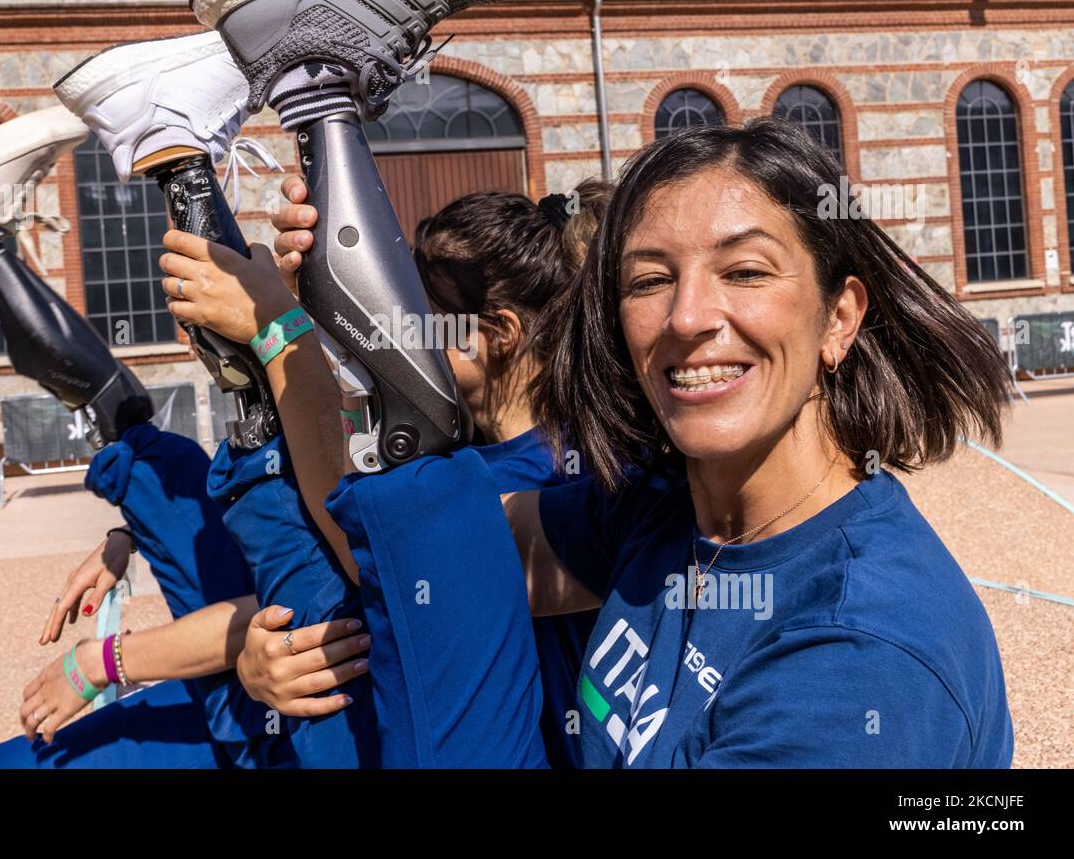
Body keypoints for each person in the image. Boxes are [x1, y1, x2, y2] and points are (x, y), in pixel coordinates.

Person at [252, 118, 1016, 768]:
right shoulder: (661, 512)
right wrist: (348, 320)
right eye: (649, 280)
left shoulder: (862, 659)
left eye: (745, 270)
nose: (688, 316)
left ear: (839, 318)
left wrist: (278, 338)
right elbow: (434, 556)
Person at [170, 177, 613, 767]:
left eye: (422, 318)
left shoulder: (557, 475)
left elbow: (389, 555)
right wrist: (261, 661)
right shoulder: (458, 446)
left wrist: (277, 333)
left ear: (499, 335)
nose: (398, 333)